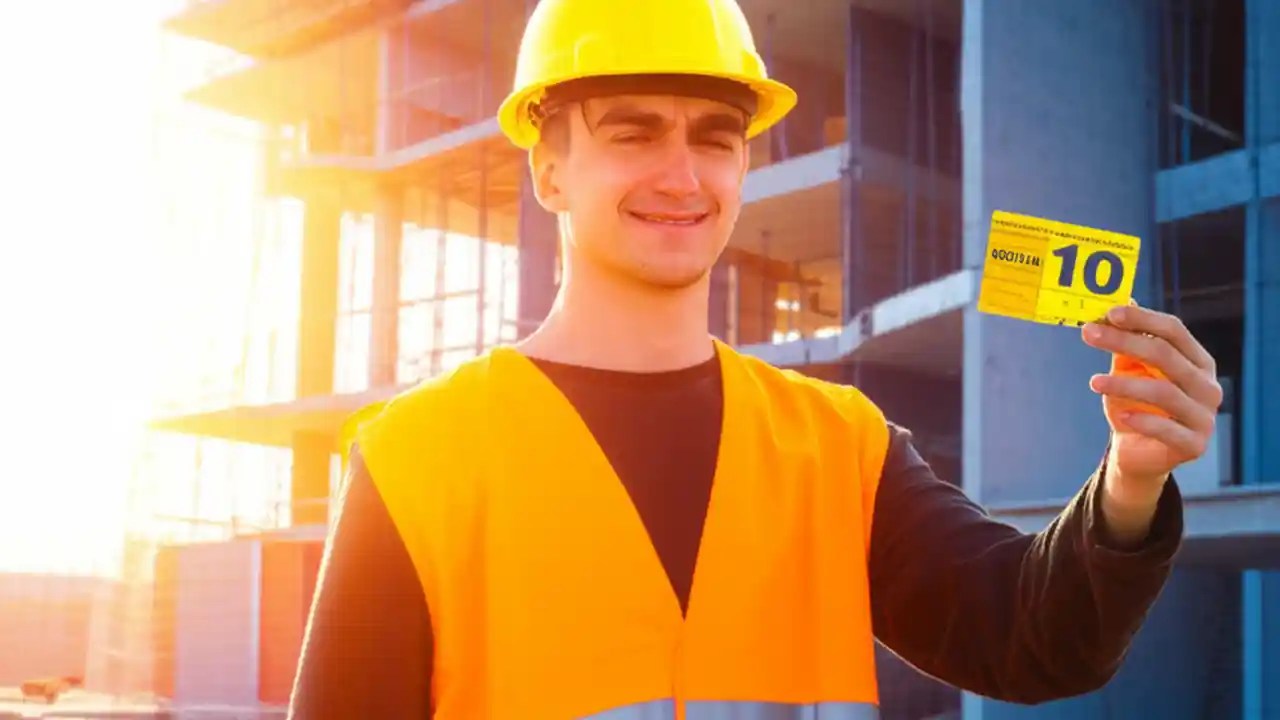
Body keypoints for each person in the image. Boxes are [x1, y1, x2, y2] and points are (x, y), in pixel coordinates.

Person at [286, 1, 1224, 718]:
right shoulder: (416, 460)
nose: (683, 175)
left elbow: (1035, 641)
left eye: (714, 138)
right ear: (549, 170)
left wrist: (1130, 483)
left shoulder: (838, 447)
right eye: (634, 131)